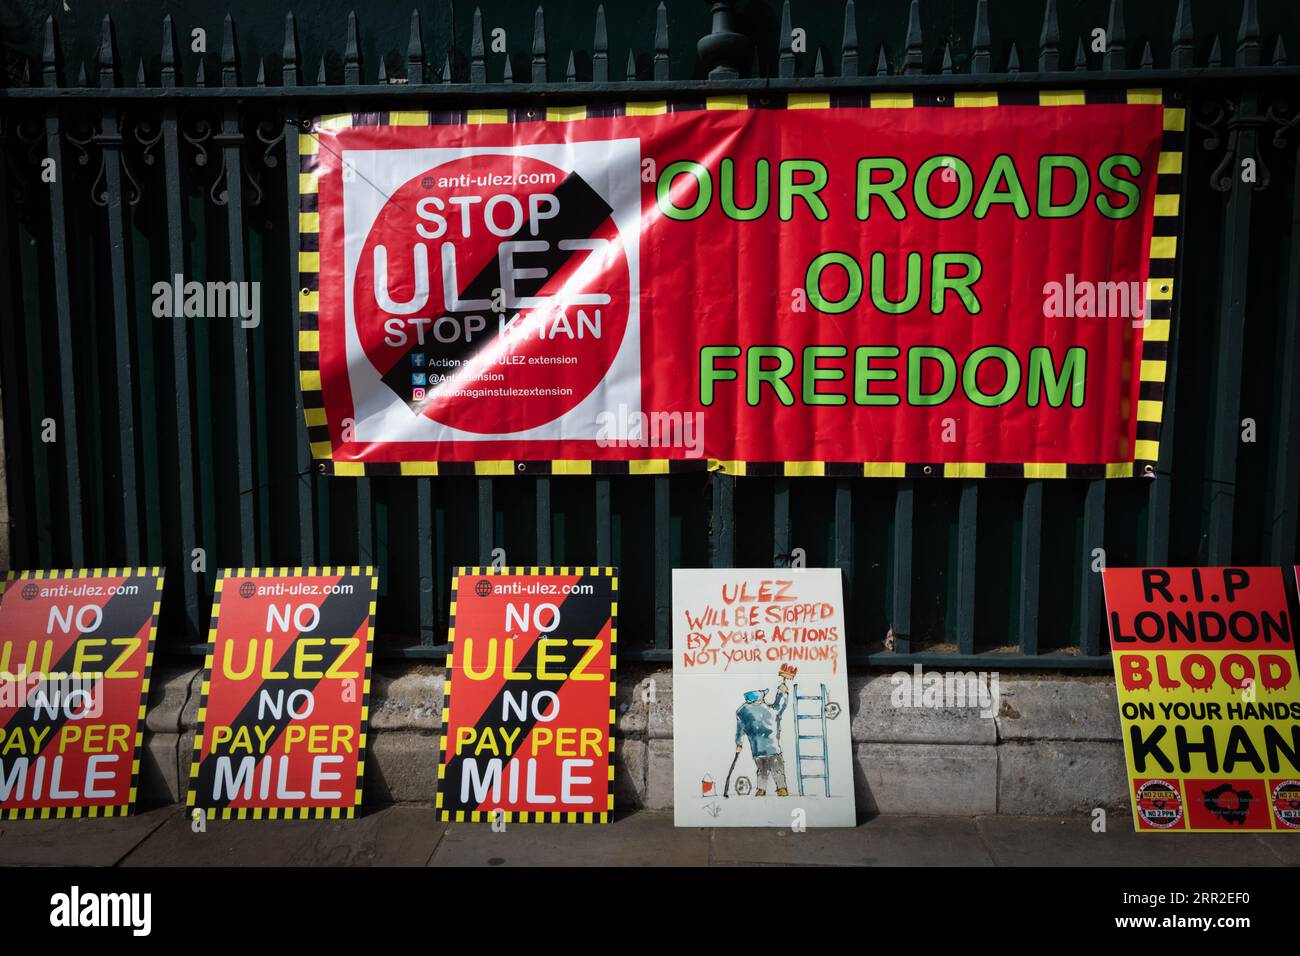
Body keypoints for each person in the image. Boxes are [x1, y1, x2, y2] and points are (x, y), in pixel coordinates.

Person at [734, 682, 789, 796]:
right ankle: (782, 788)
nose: (764, 700)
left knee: (762, 770)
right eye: (763, 698)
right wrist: (781, 692)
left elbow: (740, 731)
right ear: (759, 700)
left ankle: (761, 789)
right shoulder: (767, 710)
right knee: (777, 768)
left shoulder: (742, 712)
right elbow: (779, 708)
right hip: (772, 748)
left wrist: (739, 744)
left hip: (757, 750)